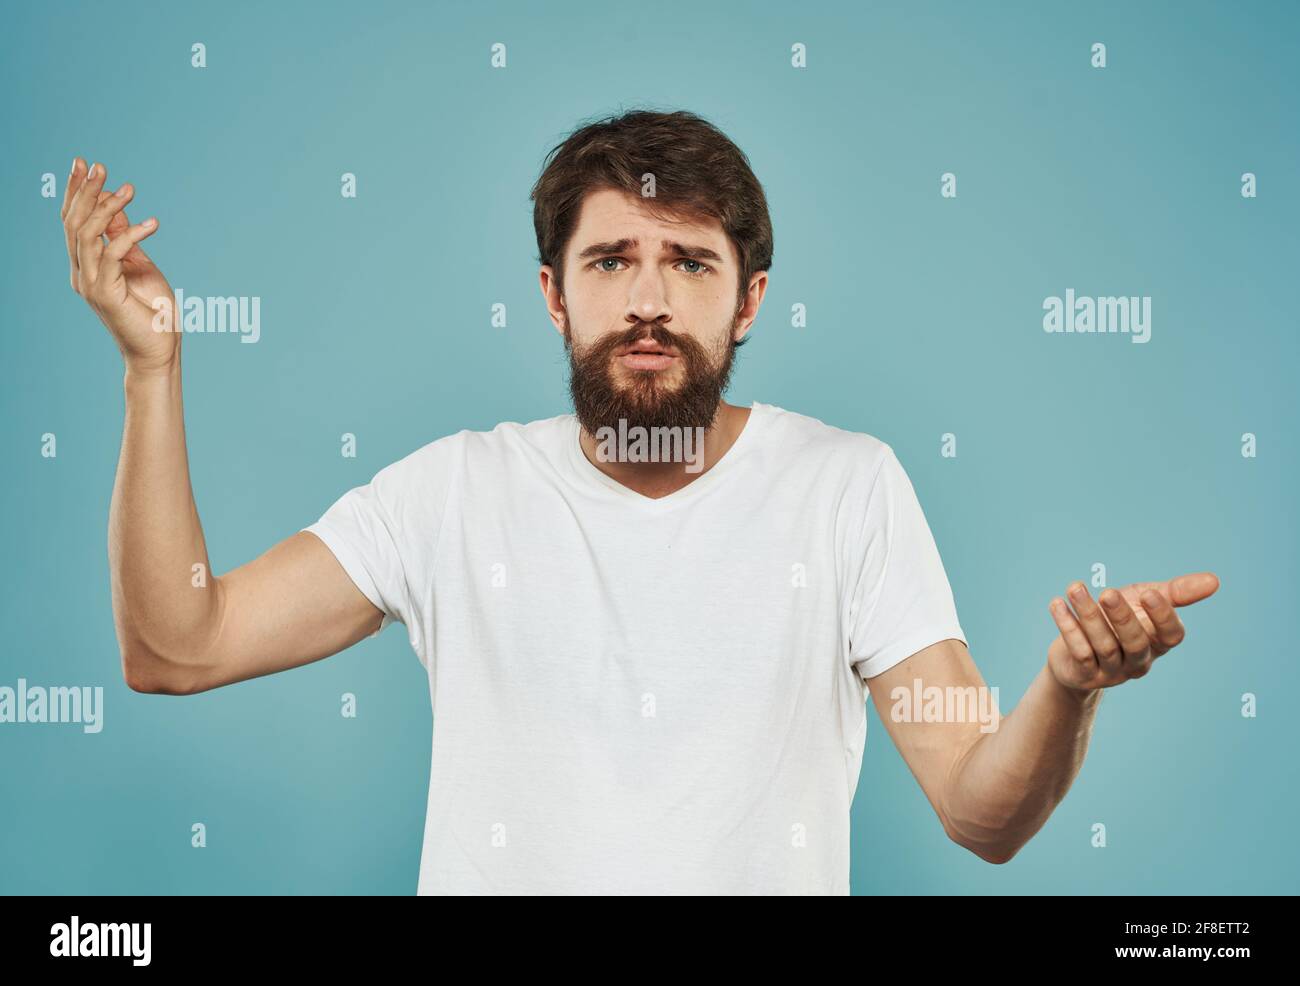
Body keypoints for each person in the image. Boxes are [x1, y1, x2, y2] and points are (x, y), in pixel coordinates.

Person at [59, 108, 1219, 894]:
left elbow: (980, 808)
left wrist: (1064, 691)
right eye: (611, 260)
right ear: (553, 296)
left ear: (750, 299)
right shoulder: (452, 492)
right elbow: (179, 643)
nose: (650, 299)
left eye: (690, 261)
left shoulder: (844, 488)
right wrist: (153, 368)